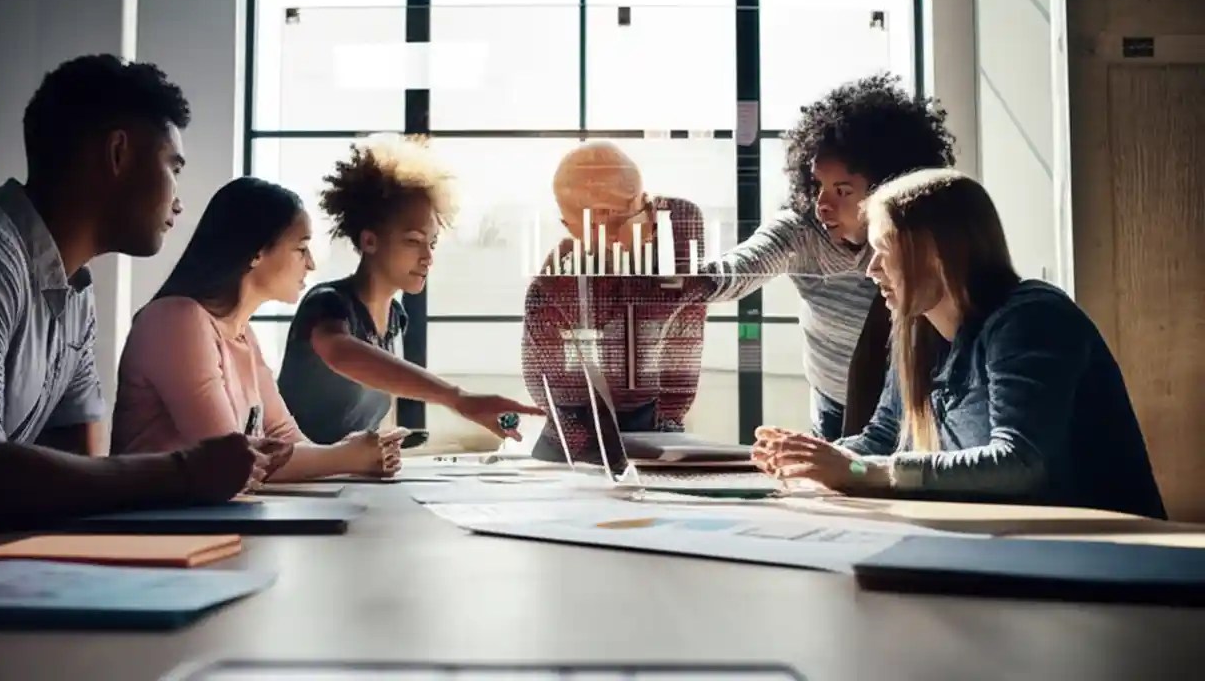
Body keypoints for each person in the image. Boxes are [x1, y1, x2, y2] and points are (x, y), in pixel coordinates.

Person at [0, 54, 273, 531]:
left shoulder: (76, 294)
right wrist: (185, 471)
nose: (179, 199)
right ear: (118, 154)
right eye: (174, 166)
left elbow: (82, 473)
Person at [751, 169, 1167, 520]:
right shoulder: (917, 329)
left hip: (1103, 558)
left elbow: (1021, 464)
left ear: (934, 252)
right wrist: (806, 459)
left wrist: (859, 471)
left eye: (882, 250)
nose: (871, 270)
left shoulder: (1032, 319)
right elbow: (880, 439)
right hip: (1007, 547)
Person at [692, 73, 956, 440]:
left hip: (911, 400)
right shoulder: (801, 231)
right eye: (817, 186)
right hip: (831, 402)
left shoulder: (917, 245)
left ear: (886, 188)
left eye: (842, 191)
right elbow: (742, 267)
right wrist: (692, 282)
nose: (822, 204)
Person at [113, 177, 406, 479]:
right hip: (155, 520)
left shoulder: (242, 335)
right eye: (301, 248)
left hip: (206, 515)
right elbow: (232, 459)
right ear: (255, 252)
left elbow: (286, 439)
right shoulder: (176, 320)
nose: (311, 264)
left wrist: (349, 452)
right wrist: (346, 457)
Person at [277, 134, 541, 446]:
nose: (428, 257)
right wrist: (459, 398)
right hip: (296, 477)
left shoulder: (396, 318)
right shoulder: (327, 303)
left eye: (432, 243)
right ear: (369, 241)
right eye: (413, 241)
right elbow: (340, 351)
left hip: (347, 478)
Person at [520, 141, 706, 462]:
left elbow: (657, 310)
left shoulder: (678, 226)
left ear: (642, 200)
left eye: (620, 221)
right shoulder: (555, 279)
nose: (615, 240)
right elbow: (541, 375)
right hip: (574, 432)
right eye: (596, 228)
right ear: (571, 227)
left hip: (652, 424)